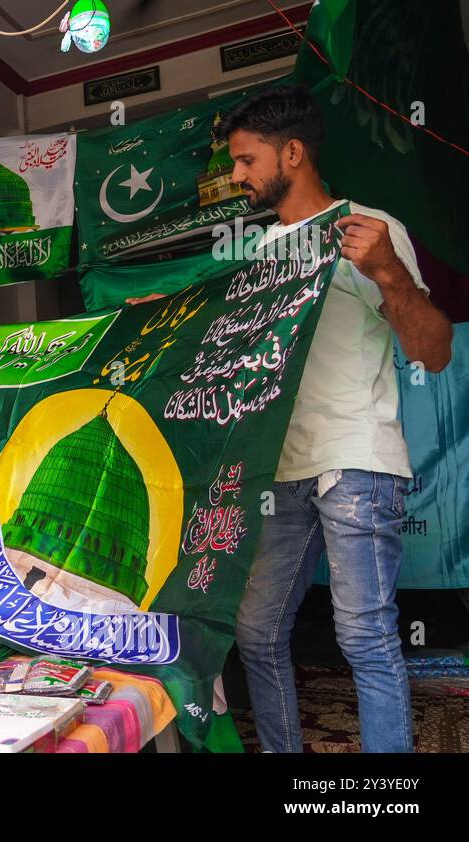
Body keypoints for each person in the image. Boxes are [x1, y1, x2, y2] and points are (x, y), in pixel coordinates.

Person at [129, 85, 452, 752]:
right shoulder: (256, 257)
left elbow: (434, 351)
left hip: (353, 458)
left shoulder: (370, 229)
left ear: (294, 153)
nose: (238, 177)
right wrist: (171, 318)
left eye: (246, 161)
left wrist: (391, 274)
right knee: (256, 633)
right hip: (279, 470)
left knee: (364, 634)